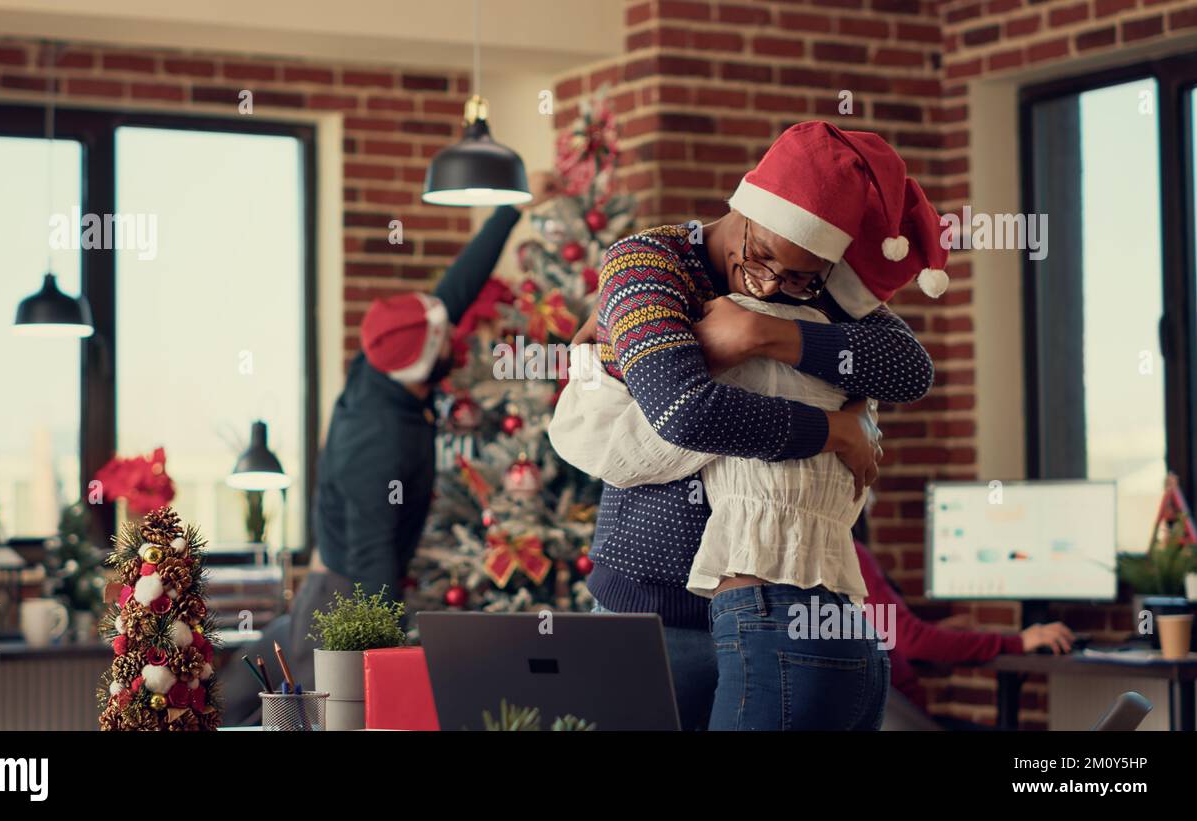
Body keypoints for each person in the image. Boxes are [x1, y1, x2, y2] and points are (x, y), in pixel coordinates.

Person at [554, 121, 944, 729]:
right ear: (741, 212)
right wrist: (832, 429)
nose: (775, 286)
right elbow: (685, 411)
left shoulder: (804, 281)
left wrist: (770, 332)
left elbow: (908, 370)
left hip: (779, 599)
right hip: (657, 608)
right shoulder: (647, 264)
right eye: (762, 262)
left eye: (800, 279)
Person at [219, 175, 552, 725]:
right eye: (445, 340)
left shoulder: (379, 370)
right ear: (423, 365)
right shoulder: (378, 442)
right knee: (322, 720)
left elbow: (451, 296)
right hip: (342, 602)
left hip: (339, 584)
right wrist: (387, 661)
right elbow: (374, 563)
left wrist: (508, 209)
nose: (456, 338)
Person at [852, 515, 1074, 729]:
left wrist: (935, 633)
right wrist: (1017, 642)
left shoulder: (829, 555)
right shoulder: (850, 554)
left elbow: (880, 634)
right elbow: (909, 640)